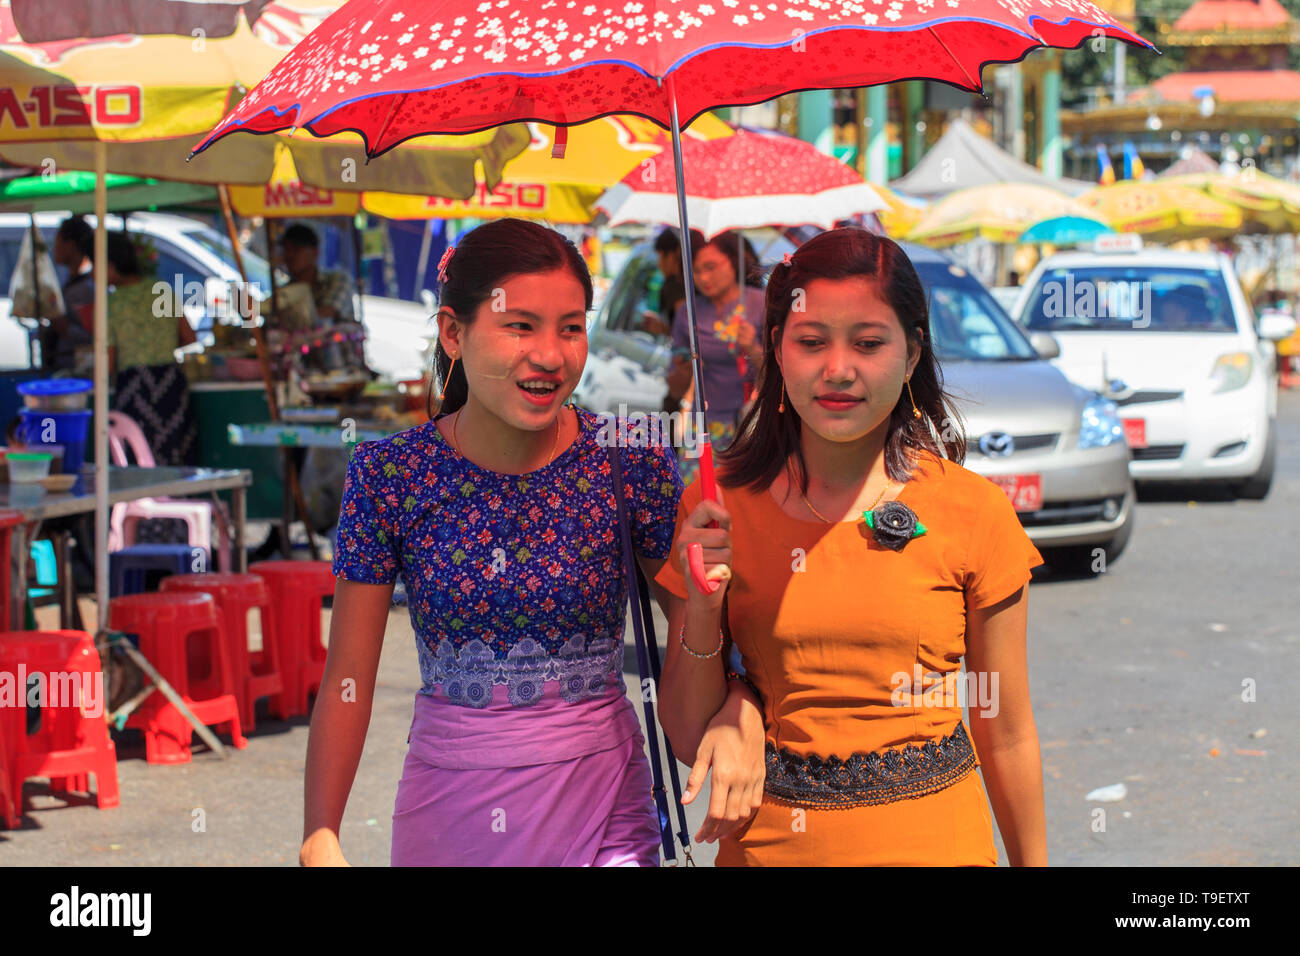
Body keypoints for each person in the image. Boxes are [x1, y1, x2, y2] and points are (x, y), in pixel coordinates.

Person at [308, 217, 760, 867]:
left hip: (608, 805)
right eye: (520, 325)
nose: (550, 355)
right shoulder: (390, 476)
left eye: (570, 327)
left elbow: (698, 628)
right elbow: (347, 679)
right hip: (450, 809)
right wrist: (320, 831)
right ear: (453, 333)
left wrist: (729, 681)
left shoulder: (629, 459)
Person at [655, 227, 1048, 866]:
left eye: (869, 343)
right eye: (812, 343)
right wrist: (703, 611)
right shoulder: (715, 508)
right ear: (778, 348)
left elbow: (1004, 732)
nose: (839, 369)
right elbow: (682, 732)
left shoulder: (974, 510)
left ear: (913, 353)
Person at [664, 229, 766, 485]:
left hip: (753, 422)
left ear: (732, 261)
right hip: (703, 424)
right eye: (696, 271)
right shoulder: (689, 313)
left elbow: (782, 374)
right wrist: (685, 369)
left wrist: (753, 348)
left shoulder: (763, 305)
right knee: (698, 498)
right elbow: (675, 386)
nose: (703, 277)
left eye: (711, 267)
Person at [105, 230, 199, 467]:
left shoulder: (111, 303)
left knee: (138, 463)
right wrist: (158, 344)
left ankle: (141, 504)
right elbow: (189, 337)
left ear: (111, 265)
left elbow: (107, 362)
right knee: (174, 458)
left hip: (135, 388)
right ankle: (176, 502)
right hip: (170, 384)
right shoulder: (160, 288)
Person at [277, 222, 356, 325]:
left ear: (315, 252)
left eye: (296, 249)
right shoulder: (285, 291)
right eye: (286, 250)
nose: (290, 255)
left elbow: (327, 312)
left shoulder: (338, 279)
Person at [44, 216, 95, 373]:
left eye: (57, 242)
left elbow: (95, 335)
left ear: (70, 246)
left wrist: (63, 327)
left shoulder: (86, 289)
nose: (54, 249)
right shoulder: (72, 282)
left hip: (77, 372)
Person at [642, 228, 685, 341]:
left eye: (660, 257)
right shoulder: (692, 285)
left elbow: (686, 331)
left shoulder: (673, 286)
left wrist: (664, 328)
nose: (659, 264)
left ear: (671, 256)